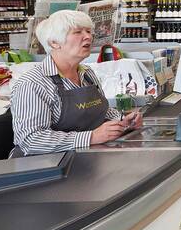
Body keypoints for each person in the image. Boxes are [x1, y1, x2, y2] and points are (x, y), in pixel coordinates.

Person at [11, 10, 141, 155]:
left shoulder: (87, 74)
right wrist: (91, 137)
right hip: (48, 168)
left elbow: (99, 112)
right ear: (54, 43)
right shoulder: (33, 84)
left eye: (88, 31)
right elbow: (31, 140)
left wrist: (122, 120)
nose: (88, 37)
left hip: (85, 157)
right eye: (78, 32)